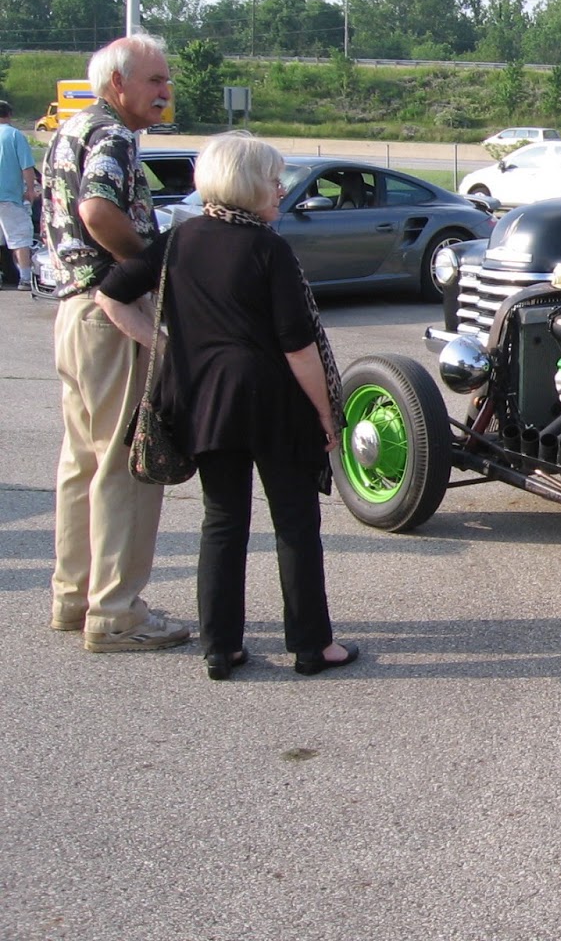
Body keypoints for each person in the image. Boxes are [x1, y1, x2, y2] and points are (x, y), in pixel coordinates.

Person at [95, 131, 360, 681]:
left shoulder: (182, 238)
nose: (280, 190)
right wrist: (326, 413)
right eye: (272, 180)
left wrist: (163, 343)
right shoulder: (269, 248)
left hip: (205, 403)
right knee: (294, 522)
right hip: (274, 403)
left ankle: (221, 648)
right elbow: (298, 344)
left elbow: (111, 293)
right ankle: (312, 647)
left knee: (222, 521)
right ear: (248, 185)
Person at [40, 34, 189, 651]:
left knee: (83, 459)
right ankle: (116, 611)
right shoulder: (113, 136)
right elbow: (99, 210)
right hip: (109, 311)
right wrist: (142, 269)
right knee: (129, 460)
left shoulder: (71, 130)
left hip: (73, 313)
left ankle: (74, 595)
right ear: (118, 84)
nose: (165, 91)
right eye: (155, 80)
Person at [0, 101, 38, 290]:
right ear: (9, 114)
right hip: (9, 195)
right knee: (20, 237)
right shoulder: (14, 135)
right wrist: (31, 190)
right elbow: (26, 166)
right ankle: (25, 278)